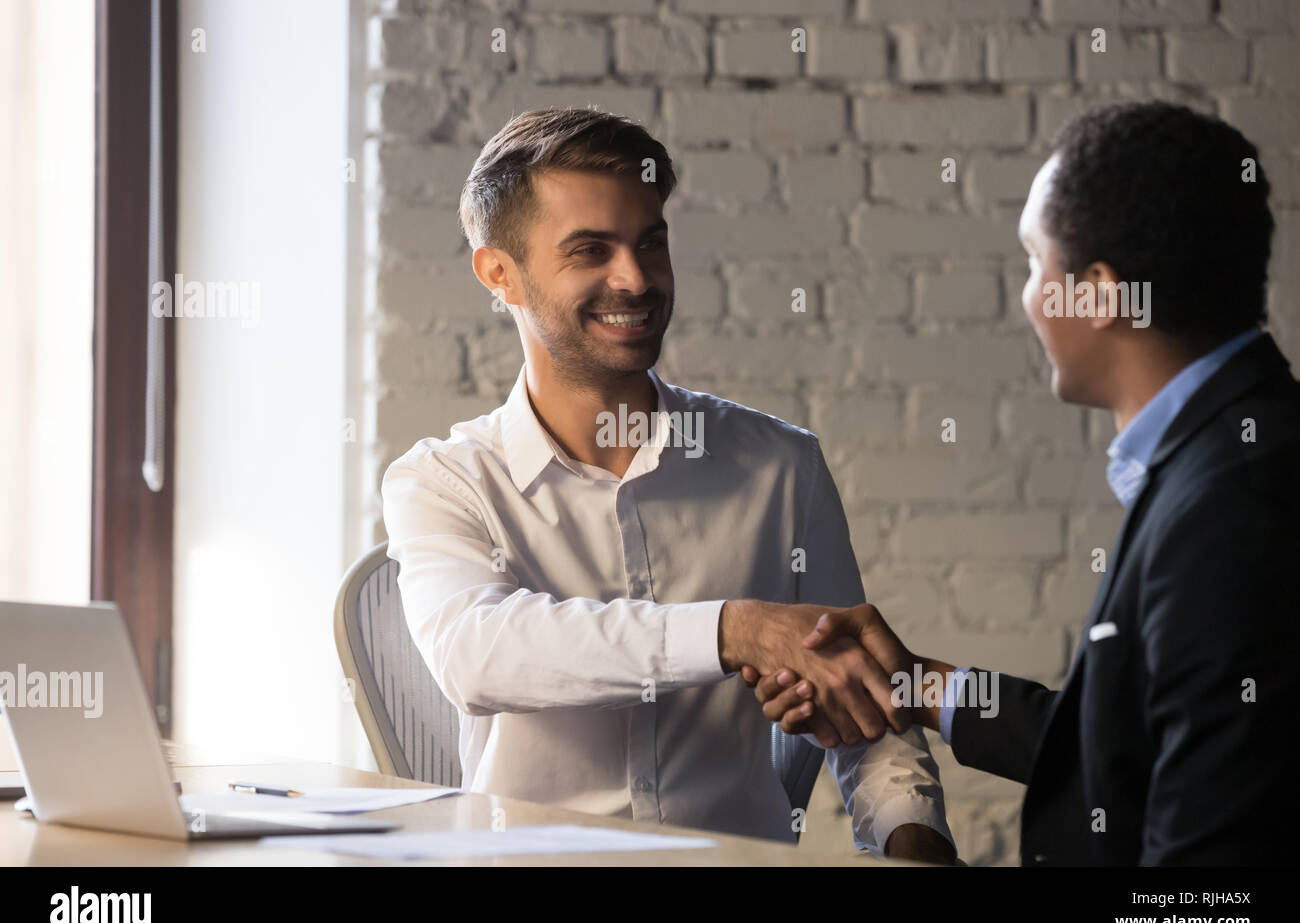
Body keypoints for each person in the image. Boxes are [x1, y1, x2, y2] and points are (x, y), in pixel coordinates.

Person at [382, 107, 955, 861]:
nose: (636, 278)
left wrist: (916, 844)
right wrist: (731, 629)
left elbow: (866, 706)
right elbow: (477, 654)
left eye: (649, 241)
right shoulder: (446, 481)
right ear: (500, 273)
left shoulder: (781, 466)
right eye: (591, 250)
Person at [746, 101, 1300, 865]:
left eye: (1035, 263)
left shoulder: (1235, 506)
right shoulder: (1230, 455)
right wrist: (921, 685)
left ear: (1098, 295)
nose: (1028, 297)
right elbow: (1127, 759)